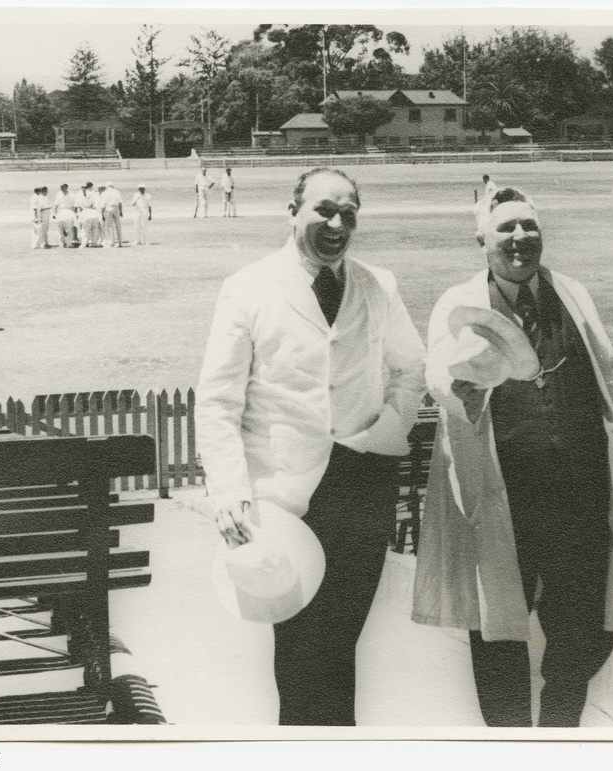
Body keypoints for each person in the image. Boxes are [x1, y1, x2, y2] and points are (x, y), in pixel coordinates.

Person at [196, 167, 426, 726]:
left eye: (349, 213)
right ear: (292, 210)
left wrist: (383, 436)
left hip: (360, 485)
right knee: (299, 648)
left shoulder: (379, 285)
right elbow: (218, 400)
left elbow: (411, 366)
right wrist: (230, 491)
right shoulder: (247, 288)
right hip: (283, 495)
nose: (337, 223)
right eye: (324, 209)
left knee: (342, 643)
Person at [412, 185, 613, 728]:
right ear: (481, 241)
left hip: (579, 498)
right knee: (497, 635)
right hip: (505, 497)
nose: (520, 239)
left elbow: (611, 376)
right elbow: (441, 375)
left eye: (529, 227)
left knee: (582, 634)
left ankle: (559, 744)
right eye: (506, 229)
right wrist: (461, 383)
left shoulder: (573, 296)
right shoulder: (458, 303)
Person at [99, 182, 124, 247]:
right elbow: (120, 203)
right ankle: (120, 242)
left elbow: (102, 205)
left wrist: (102, 214)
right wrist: (121, 211)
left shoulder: (104, 193)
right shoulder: (117, 192)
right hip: (116, 208)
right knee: (118, 226)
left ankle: (110, 242)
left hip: (108, 209)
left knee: (109, 226)